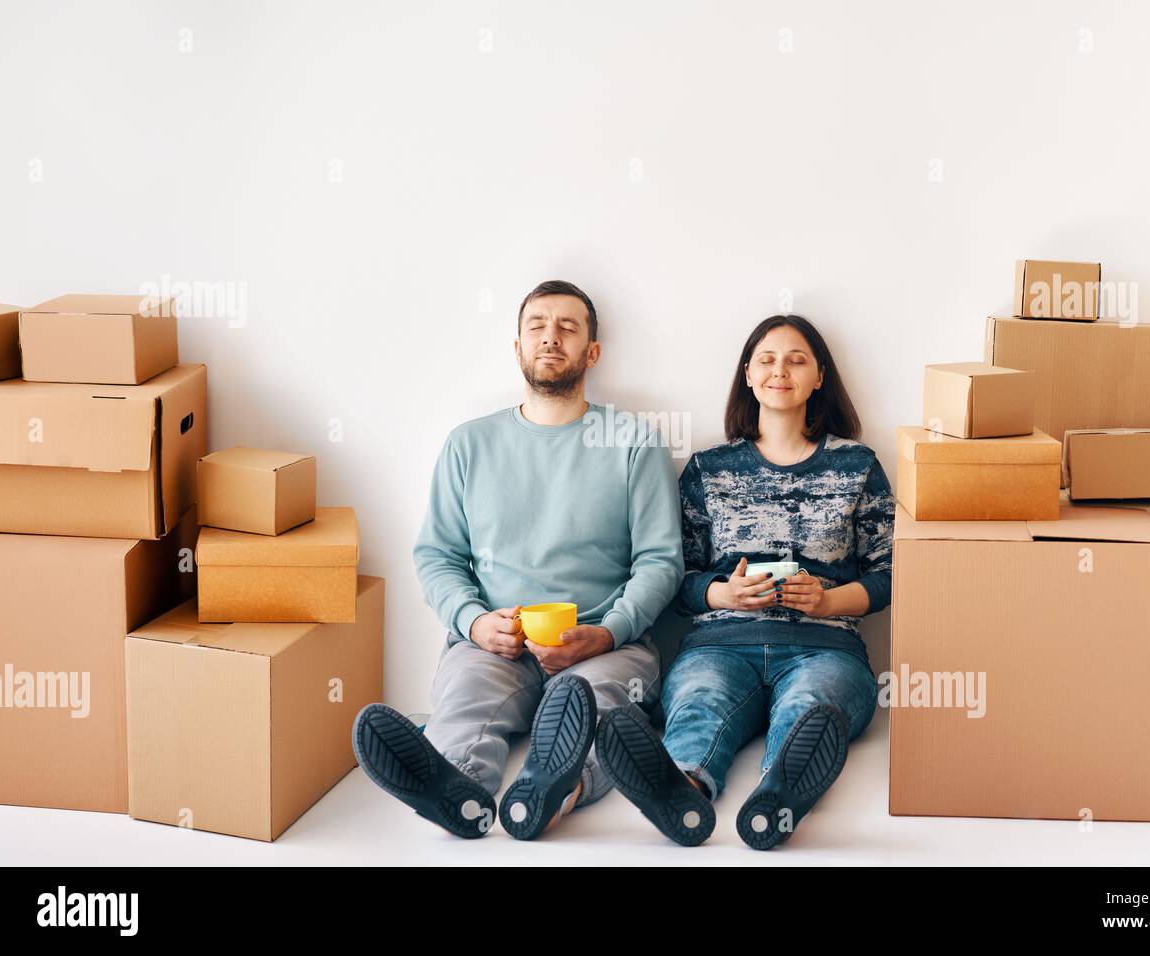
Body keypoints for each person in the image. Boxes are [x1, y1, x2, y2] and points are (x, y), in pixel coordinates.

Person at [352, 280, 682, 841]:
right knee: (463, 704)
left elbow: (660, 562)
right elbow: (438, 555)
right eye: (537, 326)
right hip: (493, 645)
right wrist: (475, 623)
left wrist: (606, 633)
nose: (550, 338)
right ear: (518, 347)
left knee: (596, 708)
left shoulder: (633, 441)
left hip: (605, 646)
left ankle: (552, 794)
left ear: (592, 353)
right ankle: (459, 793)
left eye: (568, 327)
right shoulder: (468, 444)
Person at [596, 314, 894, 849]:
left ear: (819, 377)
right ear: (749, 375)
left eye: (797, 359)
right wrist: (721, 593)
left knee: (811, 706)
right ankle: (682, 791)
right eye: (768, 359)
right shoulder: (708, 468)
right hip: (720, 642)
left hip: (825, 648)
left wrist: (828, 602)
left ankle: (777, 797)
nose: (781, 370)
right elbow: (675, 575)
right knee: (698, 704)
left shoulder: (857, 463)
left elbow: (889, 573)